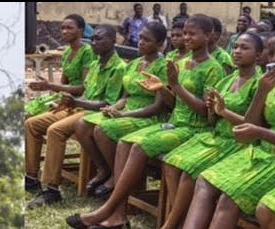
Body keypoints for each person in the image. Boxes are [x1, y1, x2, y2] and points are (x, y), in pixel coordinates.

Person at [71, 14, 225, 229]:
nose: (187, 38)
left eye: (192, 34)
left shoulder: (214, 69)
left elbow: (206, 111)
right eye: (185, 33)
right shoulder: (181, 63)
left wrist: (175, 86)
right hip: (174, 123)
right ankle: (117, 215)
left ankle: (107, 210)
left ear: (208, 36)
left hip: (194, 129)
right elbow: (172, 103)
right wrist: (161, 88)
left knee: (138, 146)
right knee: (125, 142)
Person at [181, 29, 275, 229]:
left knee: (230, 197)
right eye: (271, 53)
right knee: (205, 179)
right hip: (262, 151)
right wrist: (261, 92)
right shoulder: (272, 83)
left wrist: (260, 132)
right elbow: (249, 126)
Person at [152, 30, 263, 229]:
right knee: (171, 162)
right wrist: (213, 110)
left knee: (189, 172)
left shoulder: (259, 85)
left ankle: (172, 228)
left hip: (237, 142)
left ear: (258, 56)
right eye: (235, 46)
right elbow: (211, 120)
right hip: (216, 135)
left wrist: (223, 112)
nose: (237, 51)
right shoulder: (227, 80)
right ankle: (179, 222)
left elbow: (253, 126)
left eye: (244, 48)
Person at [28, 25, 127, 207]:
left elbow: (107, 104)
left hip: (94, 113)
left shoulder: (118, 67)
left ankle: (51, 190)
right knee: (32, 124)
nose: (94, 43)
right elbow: (85, 92)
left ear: (113, 41)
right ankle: (31, 178)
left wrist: (76, 103)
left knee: (55, 131)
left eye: (99, 39)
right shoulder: (96, 64)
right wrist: (67, 101)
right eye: (93, 39)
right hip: (80, 107)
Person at [79, 21, 171, 196]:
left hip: (148, 116)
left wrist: (123, 114)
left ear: (159, 44)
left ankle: (117, 176)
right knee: (82, 124)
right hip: (127, 109)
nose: (141, 42)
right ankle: (105, 168)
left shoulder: (163, 67)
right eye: (140, 38)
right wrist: (114, 107)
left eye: (147, 40)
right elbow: (125, 96)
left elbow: (158, 107)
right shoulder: (134, 63)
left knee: (102, 129)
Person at [25, 15, 93, 188]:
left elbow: (83, 88)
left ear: (80, 30)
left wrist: (51, 86)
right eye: (62, 28)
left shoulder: (87, 52)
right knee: (29, 122)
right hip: (66, 101)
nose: (64, 31)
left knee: (53, 130)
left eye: (69, 28)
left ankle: (51, 186)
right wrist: (54, 96)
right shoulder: (67, 52)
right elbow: (63, 83)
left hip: (81, 103)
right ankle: (31, 177)